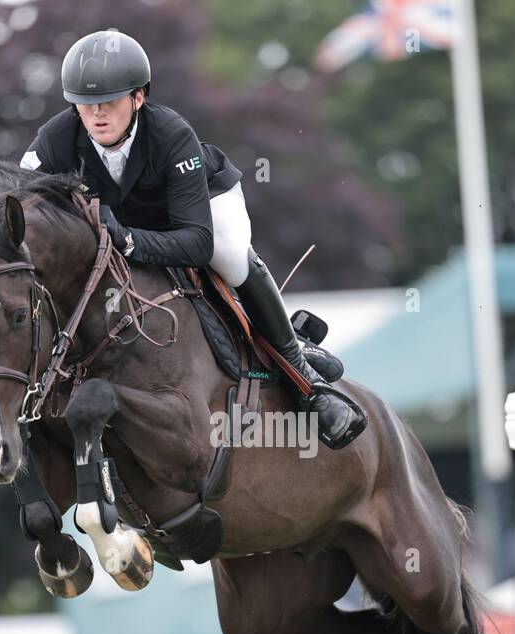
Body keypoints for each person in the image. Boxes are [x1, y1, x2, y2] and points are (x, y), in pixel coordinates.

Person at [20, 29, 366, 450]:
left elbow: (197, 242)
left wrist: (125, 240)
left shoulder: (171, 134)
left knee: (231, 257)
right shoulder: (53, 142)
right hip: (123, 224)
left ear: (138, 97)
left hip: (198, 208)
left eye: (109, 102)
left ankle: (304, 378)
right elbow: (25, 216)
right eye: (85, 104)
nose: (96, 115)